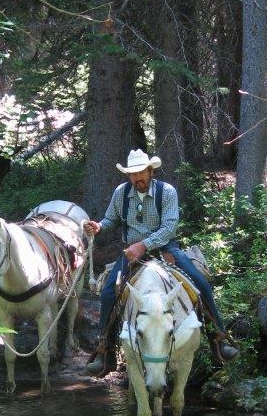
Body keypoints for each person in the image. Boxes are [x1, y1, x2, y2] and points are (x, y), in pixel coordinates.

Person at [84, 148, 239, 376]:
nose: (137, 178)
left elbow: (169, 228)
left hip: (166, 248)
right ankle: (104, 349)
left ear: (150, 171)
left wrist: (143, 245)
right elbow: (111, 218)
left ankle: (219, 336)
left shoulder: (166, 192)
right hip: (131, 252)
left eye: (141, 173)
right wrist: (99, 226)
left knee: (199, 283)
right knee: (108, 293)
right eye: (133, 174)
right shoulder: (121, 193)